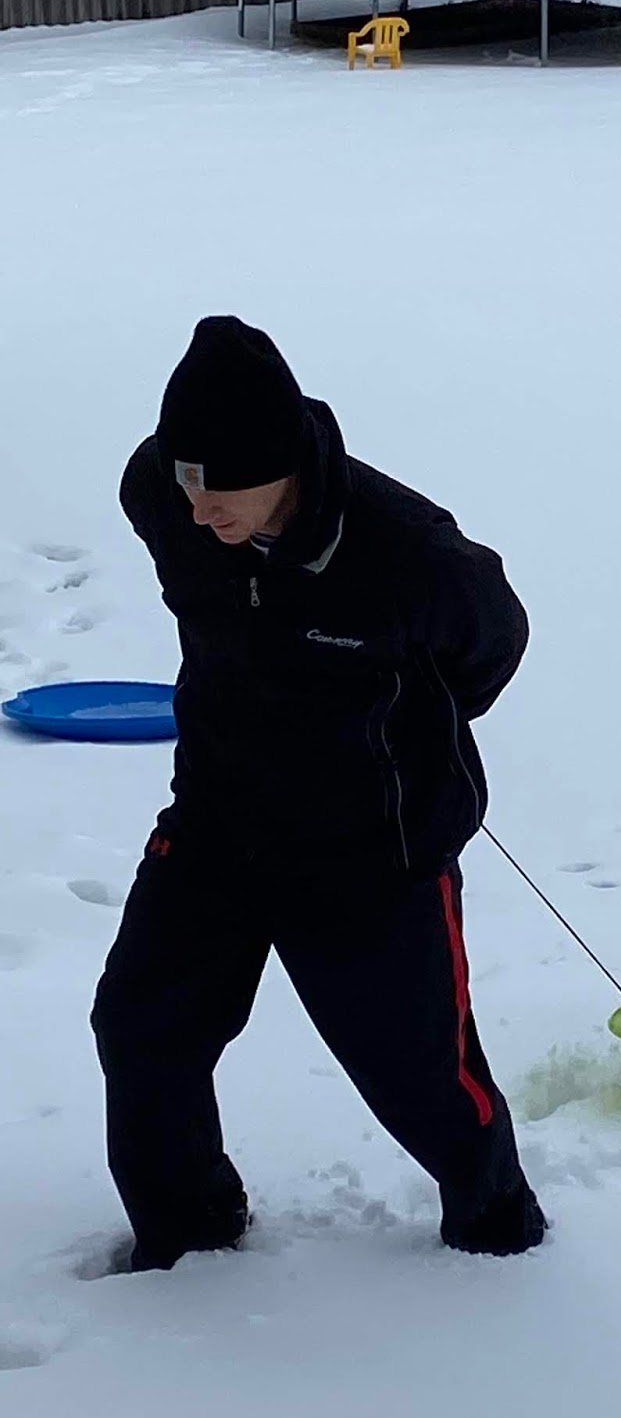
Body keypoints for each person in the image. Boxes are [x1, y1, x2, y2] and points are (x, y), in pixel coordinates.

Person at [91, 316, 545, 1270]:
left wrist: (394, 738)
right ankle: (188, 1231)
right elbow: (181, 510)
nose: (198, 509)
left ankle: (497, 1233)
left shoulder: (408, 552)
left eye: (220, 488)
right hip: (217, 822)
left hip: (371, 850)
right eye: (186, 481)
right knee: (141, 1026)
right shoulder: (161, 492)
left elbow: (491, 644)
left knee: (420, 1074)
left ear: (284, 465)